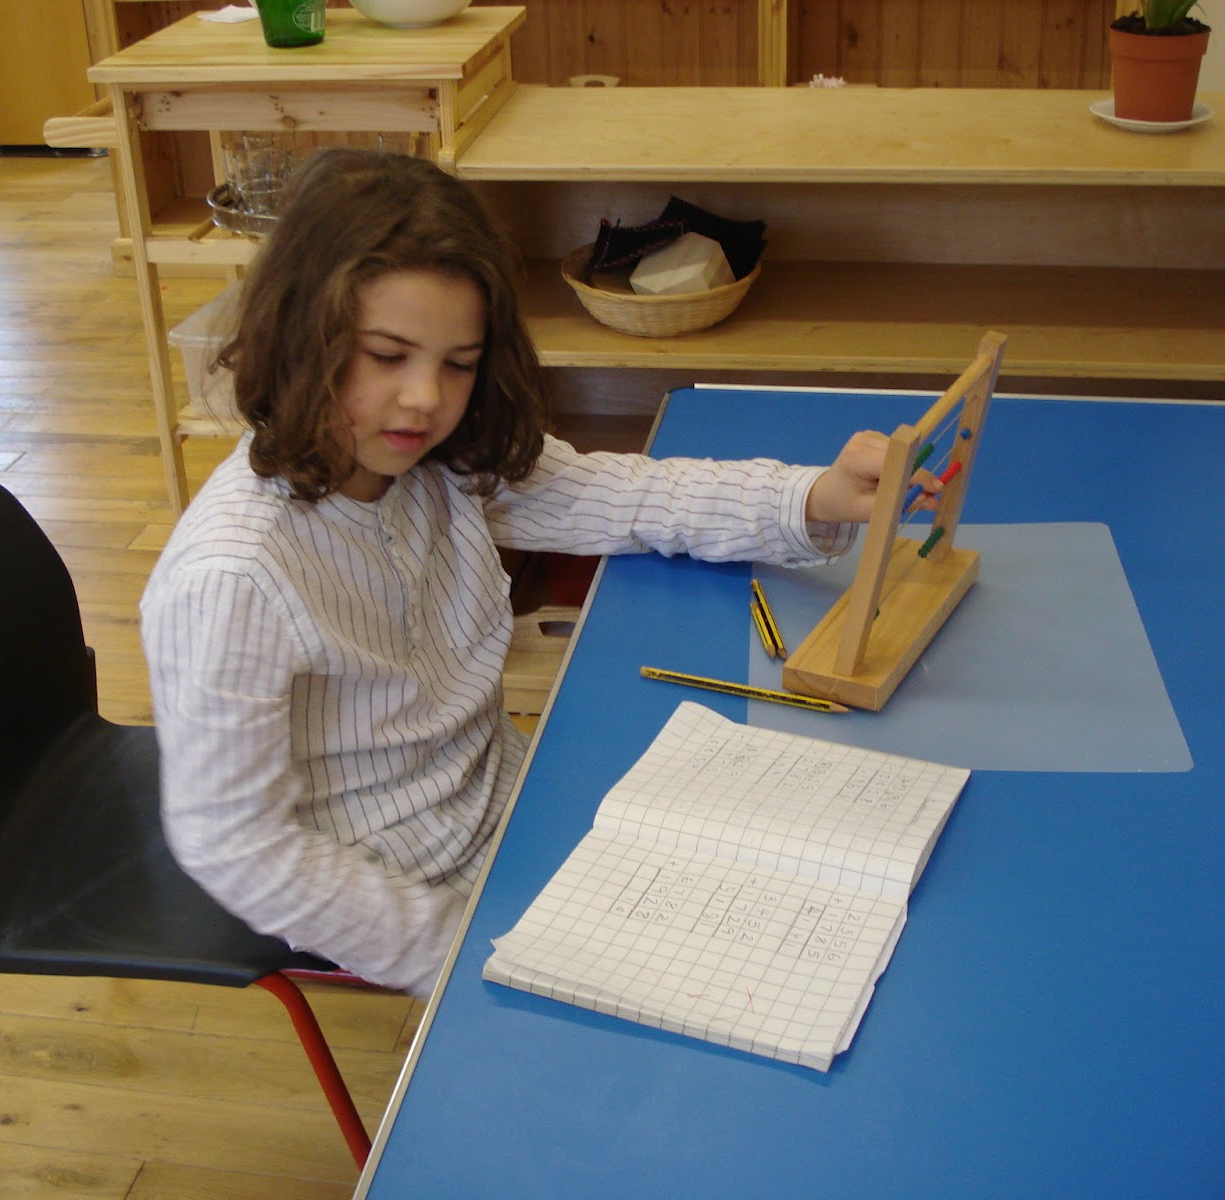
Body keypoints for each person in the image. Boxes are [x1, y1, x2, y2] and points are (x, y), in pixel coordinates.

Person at [140, 148, 932, 997]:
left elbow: (625, 494)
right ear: (302, 335)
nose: (424, 400)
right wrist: (460, 955)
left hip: (516, 793)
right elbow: (237, 845)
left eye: (458, 362)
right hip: (415, 883)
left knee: (807, 873)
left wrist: (813, 496)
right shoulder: (232, 576)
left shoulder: (436, 461)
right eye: (386, 355)